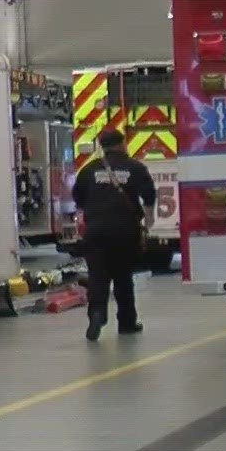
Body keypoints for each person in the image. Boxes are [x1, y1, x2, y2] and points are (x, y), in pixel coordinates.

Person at [70, 127, 157, 342]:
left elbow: (78, 198)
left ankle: (97, 315)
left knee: (98, 276)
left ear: (102, 147)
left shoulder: (89, 170)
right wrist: (148, 221)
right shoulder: (135, 168)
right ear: (122, 144)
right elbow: (149, 195)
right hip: (125, 231)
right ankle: (127, 322)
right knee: (123, 277)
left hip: (96, 231)